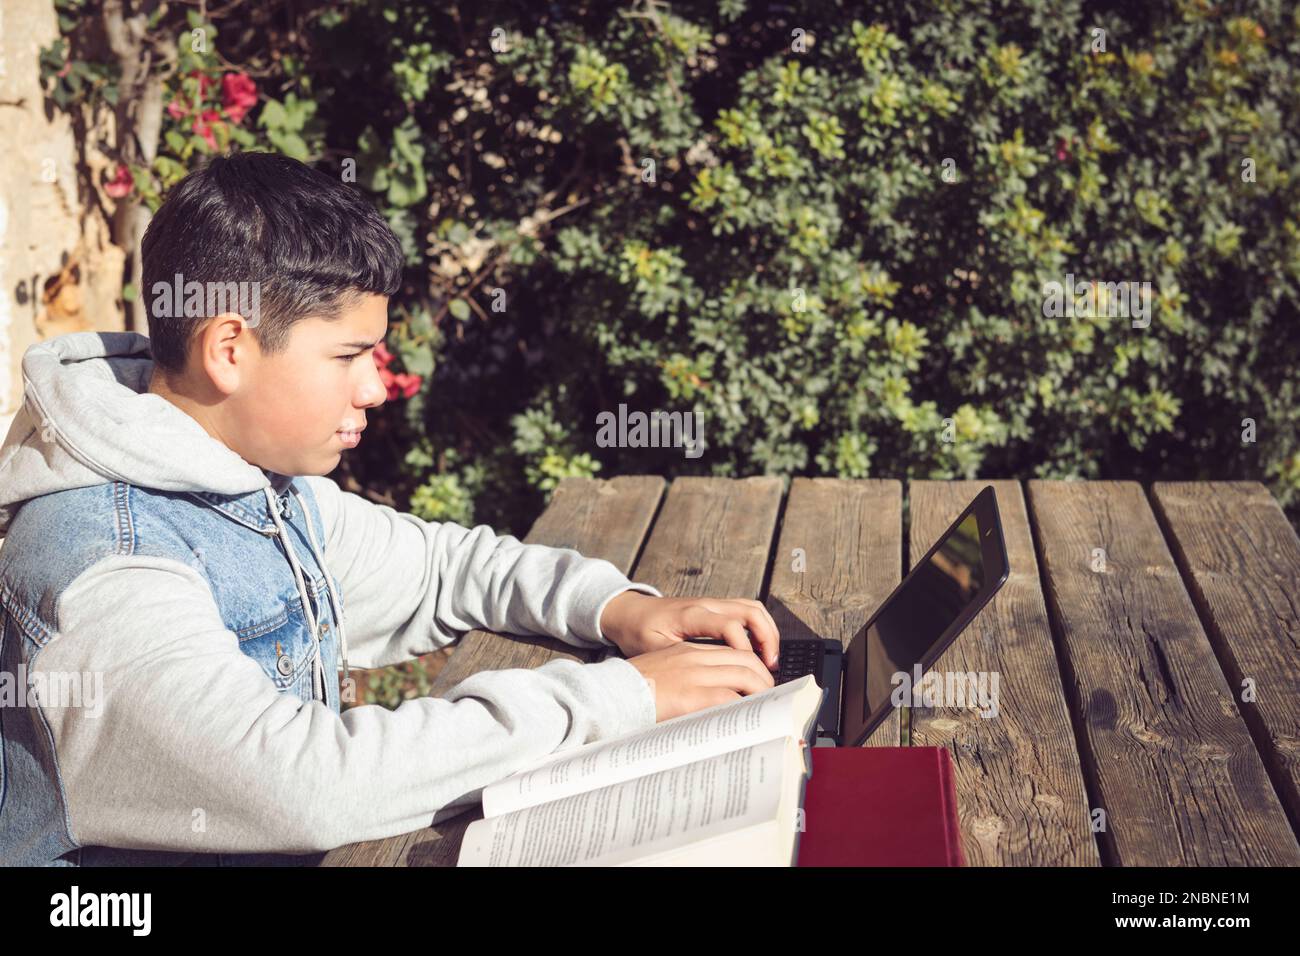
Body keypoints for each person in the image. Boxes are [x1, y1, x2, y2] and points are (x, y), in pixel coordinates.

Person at [0, 151, 779, 866]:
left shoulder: (252, 486)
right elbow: (302, 785)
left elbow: (443, 567)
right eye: (348, 356)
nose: (374, 388)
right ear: (229, 349)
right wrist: (628, 696)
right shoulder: (105, 567)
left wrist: (615, 608)